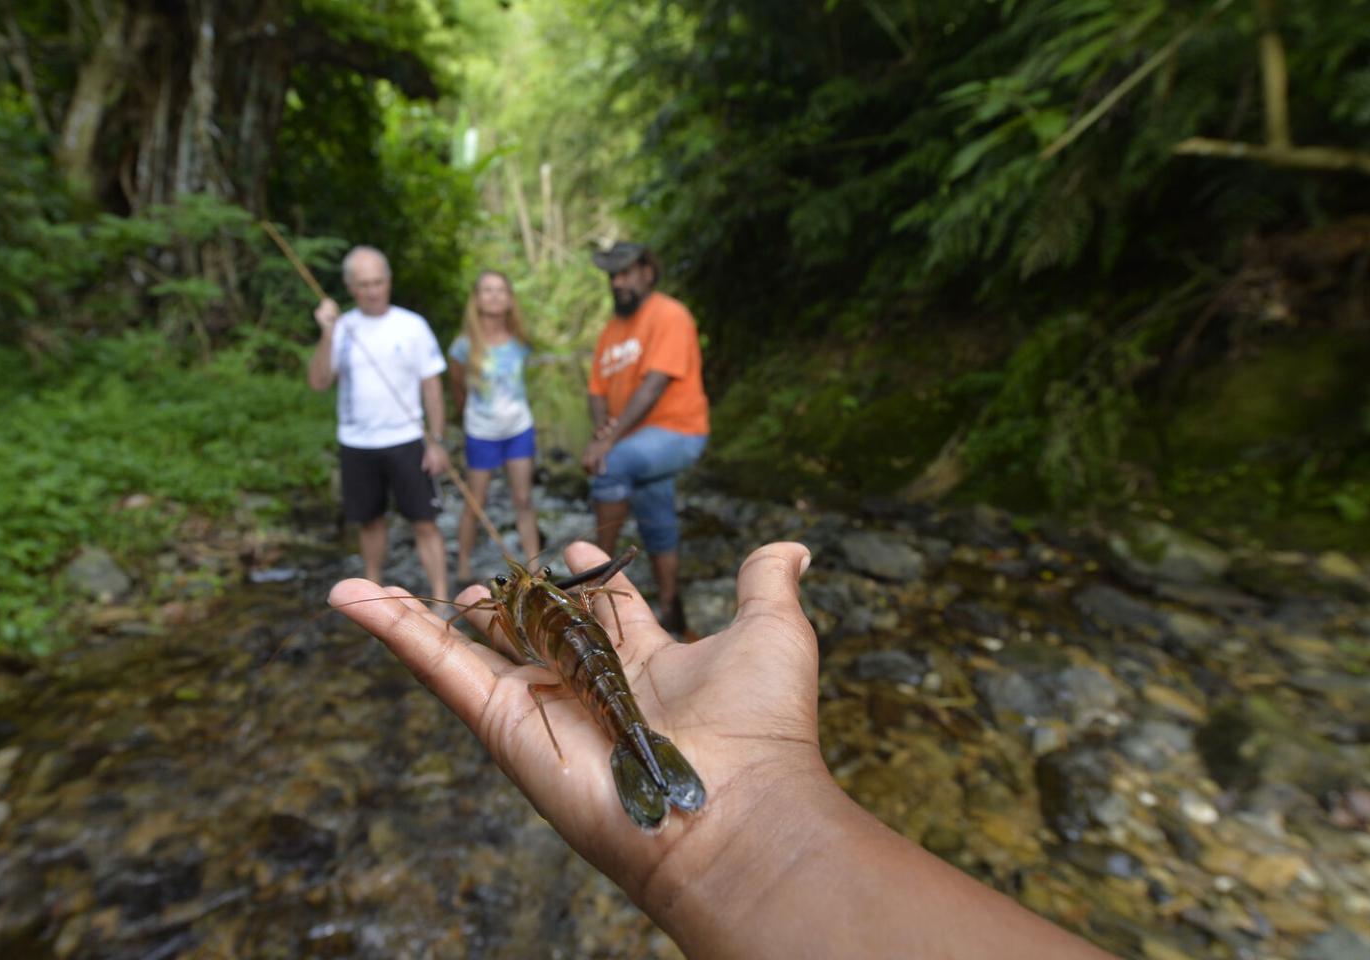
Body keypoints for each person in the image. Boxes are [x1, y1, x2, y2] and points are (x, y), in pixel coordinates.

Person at [327, 541, 1116, 959]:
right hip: (623, 692)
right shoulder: (569, 603)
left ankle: (636, 755)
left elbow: (535, 679)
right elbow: (578, 611)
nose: (508, 596)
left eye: (513, 595)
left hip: (583, 686)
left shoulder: (534, 623)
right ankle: (642, 746)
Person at [307, 245, 451, 606]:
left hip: (407, 439)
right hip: (357, 442)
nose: (372, 290)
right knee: (369, 521)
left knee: (425, 522)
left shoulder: (412, 325)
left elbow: (432, 386)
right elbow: (319, 382)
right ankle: (372, 593)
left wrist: (436, 441)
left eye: (378, 282)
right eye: (363, 284)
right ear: (350, 287)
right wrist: (326, 333)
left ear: (388, 281)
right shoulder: (342, 328)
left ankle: (441, 597)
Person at [582, 241, 707, 635]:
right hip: (636, 441)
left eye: (626, 273)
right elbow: (597, 391)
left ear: (647, 273)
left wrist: (608, 443)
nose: (618, 282)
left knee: (610, 467)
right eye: (612, 276)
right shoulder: (610, 331)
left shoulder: (670, 315)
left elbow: (653, 386)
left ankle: (592, 585)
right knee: (655, 513)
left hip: (678, 432)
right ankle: (672, 608)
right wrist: (604, 429)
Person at [447, 270, 541, 581]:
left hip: (518, 429)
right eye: (487, 290)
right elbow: (458, 389)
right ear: (476, 299)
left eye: (501, 290)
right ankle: (462, 565)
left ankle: (534, 564)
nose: (494, 296)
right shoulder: (463, 346)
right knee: (476, 501)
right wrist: (469, 419)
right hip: (482, 432)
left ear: (510, 299)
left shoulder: (520, 341)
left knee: (523, 498)